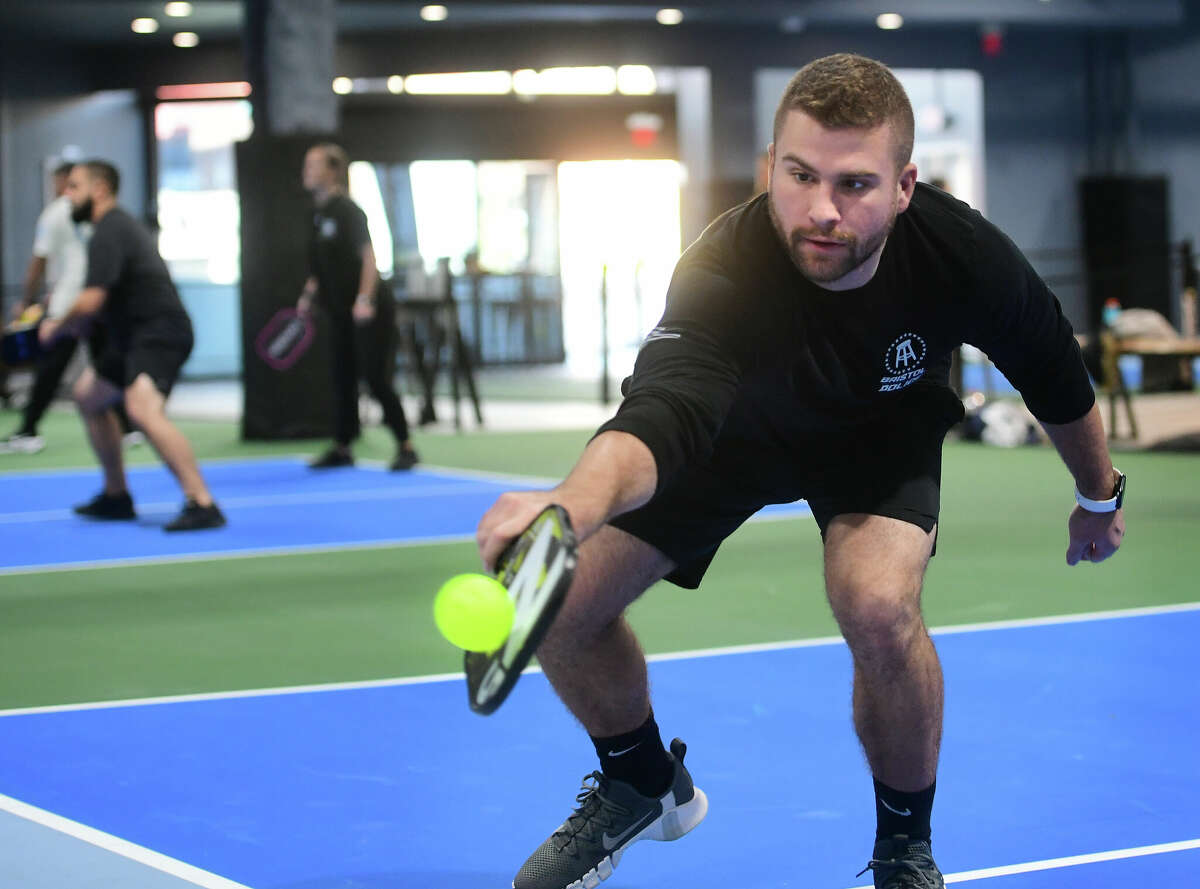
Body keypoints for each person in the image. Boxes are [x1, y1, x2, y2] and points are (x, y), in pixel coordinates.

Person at [475, 54, 1126, 889]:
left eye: (854, 184)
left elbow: (1051, 366)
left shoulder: (961, 252)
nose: (821, 208)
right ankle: (641, 781)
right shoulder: (722, 267)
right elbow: (661, 412)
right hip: (732, 435)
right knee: (562, 603)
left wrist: (1098, 493)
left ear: (904, 186)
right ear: (769, 167)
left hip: (881, 430)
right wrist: (571, 505)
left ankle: (904, 850)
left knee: (878, 605)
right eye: (800, 175)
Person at [39, 160, 225, 532]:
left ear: (100, 189)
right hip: (130, 336)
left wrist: (55, 326)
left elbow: (90, 300)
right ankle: (117, 495)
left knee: (141, 408)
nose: (66, 195)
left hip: (160, 332)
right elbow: (100, 304)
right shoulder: (105, 230)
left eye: (74, 187)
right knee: (88, 396)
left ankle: (202, 502)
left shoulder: (110, 229)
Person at [2, 162, 138, 454]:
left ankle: (28, 429)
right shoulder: (85, 217)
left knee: (63, 366)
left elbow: (39, 261)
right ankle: (128, 428)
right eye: (68, 186)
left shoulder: (96, 219)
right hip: (86, 300)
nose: (66, 192)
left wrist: (29, 302)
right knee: (100, 368)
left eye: (73, 186)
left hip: (81, 303)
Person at [297, 143, 418, 471]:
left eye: (313, 165)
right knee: (342, 377)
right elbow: (321, 267)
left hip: (369, 309)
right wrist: (308, 295)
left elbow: (369, 257)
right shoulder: (317, 214)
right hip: (337, 310)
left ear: (333, 171)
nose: (306, 171)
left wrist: (364, 300)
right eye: (306, 165)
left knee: (375, 377)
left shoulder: (349, 211)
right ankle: (343, 446)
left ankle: (406, 446)